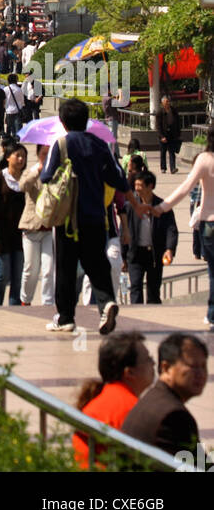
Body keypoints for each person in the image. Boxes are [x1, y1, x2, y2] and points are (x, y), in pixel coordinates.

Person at [41, 98, 147, 335]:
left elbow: (46, 177)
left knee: (66, 269)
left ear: (63, 121)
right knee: (96, 264)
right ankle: (106, 303)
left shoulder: (61, 144)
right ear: (86, 120)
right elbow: (118, 178)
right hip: (97, 217)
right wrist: (136, 206)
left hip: (68, 220)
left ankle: (66, 318)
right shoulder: (100, 146)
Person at [152, 127, 214, 329]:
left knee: (213, 272)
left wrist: (162, 207)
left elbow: (185, 187)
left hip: (209, 223)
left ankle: (212, 315)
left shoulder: (205, 159)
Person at [72, 332, 156, 470]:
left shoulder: (104, 398)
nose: (153, 363)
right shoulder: (131, 409)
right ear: (129, 373)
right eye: (148, 359)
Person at [121, 334, 208, 457]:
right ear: (166, 368)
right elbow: (201, 466)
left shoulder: (154, 398)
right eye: (193, 366)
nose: (201, 374)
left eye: (203, 367)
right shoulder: (174, 415)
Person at [124, 172, 178, 305]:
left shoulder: (162, 206)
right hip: (135, 254)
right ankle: (136, 318)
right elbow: (123, 231)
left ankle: (154, 318)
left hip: (154, 254)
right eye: (135, 185)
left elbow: (171, 230)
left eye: (140, 185)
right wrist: (123, 255)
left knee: (153, 290)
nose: (136, 188)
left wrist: (169, 249)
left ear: (150, 186)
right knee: (135, 287)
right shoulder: (131, 206)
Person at [0, 144, 27, 305]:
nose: (21, 159)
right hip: (0, 233)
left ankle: (15, 304)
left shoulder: (27, 178)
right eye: (18, 155)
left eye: (23, 156)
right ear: (8, 157)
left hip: (21, 234)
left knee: (18, 274)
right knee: (3, 273)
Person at [19, 144, 55, 306]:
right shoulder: (31, 171)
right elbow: (23, 186)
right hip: (31, 226)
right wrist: (37, 172)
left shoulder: (57, 172)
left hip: (50, 227)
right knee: (30, 270)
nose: (46, 157)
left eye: (49, 154)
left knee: (48, 269)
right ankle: (25, 300)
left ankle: (48, 303)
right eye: (43, 153)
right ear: (38, 154)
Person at [156, 95, 181, 175]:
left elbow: (178, 123)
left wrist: (178, 133)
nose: (168, 103)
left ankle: (173, 168)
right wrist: (161, 136)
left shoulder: (173, 111)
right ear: (162, 103)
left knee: (172, 152)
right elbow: (158, 126)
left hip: (172, 135)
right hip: (163, 134)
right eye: (166, 102)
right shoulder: (160, 112)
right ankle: (163, 167)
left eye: (168, 101)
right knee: (163, 152)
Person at [3, 74, 25, 139]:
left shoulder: (5, 89)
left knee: (9, 127)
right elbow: (22, 101)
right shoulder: (19, 89)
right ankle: (17, 139)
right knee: (17, 127)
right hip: (17, 110)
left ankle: (9, 139)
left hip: (8, 111)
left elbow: (4, 100)